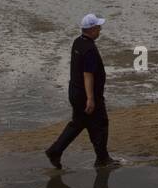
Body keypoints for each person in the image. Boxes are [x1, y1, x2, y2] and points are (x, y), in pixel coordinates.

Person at [45, 14, 119, 169]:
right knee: (100, 124)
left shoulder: (78, 42)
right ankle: (102, 158)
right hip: (87, 95)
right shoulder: (90, 49)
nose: (100, 30)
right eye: (98, 27)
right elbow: (88, 74)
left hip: (75, 92)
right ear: (91, 29)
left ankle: (55, 151)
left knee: (80, 123)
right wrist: (91, 98)